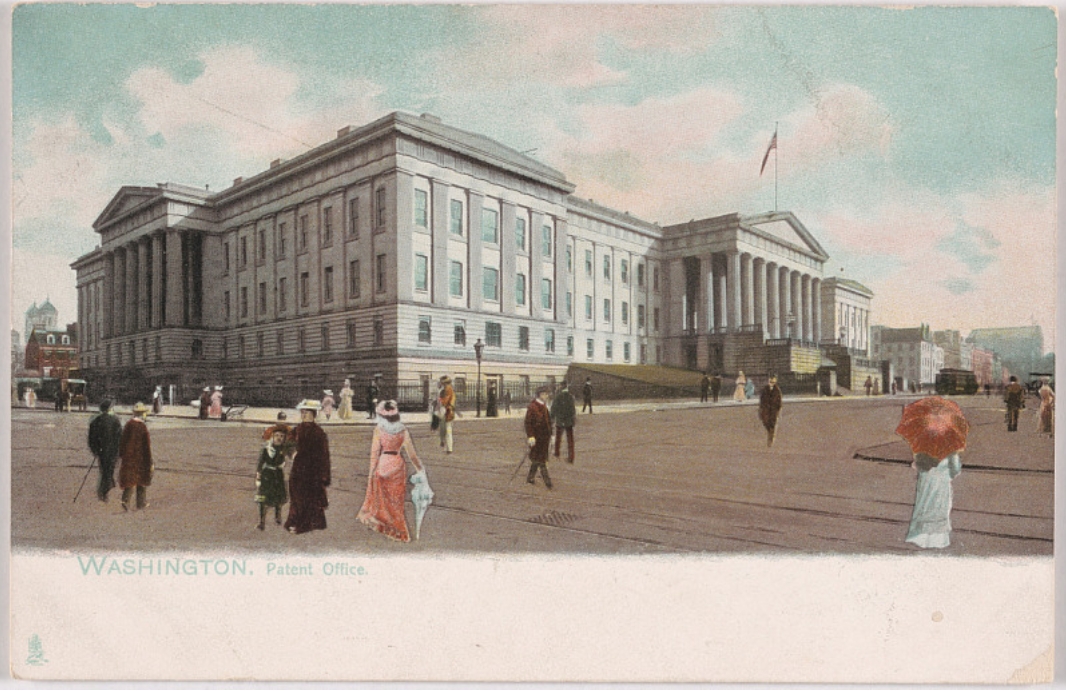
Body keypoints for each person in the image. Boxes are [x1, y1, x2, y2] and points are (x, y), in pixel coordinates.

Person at [357, 400, 428, 542]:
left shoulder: (379, 429)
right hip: (397, 464)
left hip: (383, 464)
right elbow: (412, 455)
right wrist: (421, 469)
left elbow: (374, 453)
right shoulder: (403, 430)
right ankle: (399, 530)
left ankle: (384, 525)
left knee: (383, 502)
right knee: (397, 502)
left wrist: (372, 472)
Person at [284, 400, 331, 534]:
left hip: (313, 469)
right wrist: (292, 453)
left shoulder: (319, 432)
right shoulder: (297, 429)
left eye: (307, 412)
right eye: (302, 412)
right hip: (299, 467)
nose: (304, 415)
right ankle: (296, 521)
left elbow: (324, 454)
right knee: (297, 495)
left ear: (313, 414)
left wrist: (325, 475)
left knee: (310, 496)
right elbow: (288, 443)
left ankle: (304, 525)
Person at [905, 451, 963, 549]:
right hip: (942, 481)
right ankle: (939, 540)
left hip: (926, 481)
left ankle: (921, 538)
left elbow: (917, 465)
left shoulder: (924, 445)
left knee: (924, 507)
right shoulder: (950, 448)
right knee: (940, 508)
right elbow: (955, 469)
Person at [118, 402, 153, 511]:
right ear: (142, 414)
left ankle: (125, 500)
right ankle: (141, 503)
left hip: (129, 456)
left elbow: (123, 440)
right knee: (142, 479)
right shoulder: (142, 427)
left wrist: (122, 454)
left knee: (130, 479)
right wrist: (150, 460)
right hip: (141, 457)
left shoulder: (129, 424)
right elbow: (146, 445)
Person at [87, 400, 122, 502]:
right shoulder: (115, 420)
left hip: (101, 451)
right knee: (109, 470)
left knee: (104, 469)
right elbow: (120, 436)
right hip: (113, 450)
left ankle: (106, 487)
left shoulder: (95, 421)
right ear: (109, 409)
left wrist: (95, 450)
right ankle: (104, 490)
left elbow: (91, 439)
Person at [255, 427, 289, 530]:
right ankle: (261, 521)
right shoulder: (266, 449)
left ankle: (278, 516)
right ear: (272, 437)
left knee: (278, 498)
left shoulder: (283, 449)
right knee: (262, 499)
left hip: (278, 475)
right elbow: (260, 463)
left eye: (282, 436)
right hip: (267, 475)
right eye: (277, 436)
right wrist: (258, 476)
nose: (279, 438)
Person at [525, 385, 554, 489]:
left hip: (545, 438)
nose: (547, 396)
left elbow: (549, 422)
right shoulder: (533, 407)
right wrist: (531, 436)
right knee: (541, 460)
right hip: (537, 438)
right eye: (545, 394)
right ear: (540, 394)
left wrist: (552, 434)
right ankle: (548, 482)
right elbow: (528, 423)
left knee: (537, 459)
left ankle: (530, 477)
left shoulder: (544, 407)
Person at [550, 381, 577, 463]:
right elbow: (573, 410)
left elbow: (553, 408)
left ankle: (557, 452)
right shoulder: (571, 397)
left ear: (561, 386)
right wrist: (573, 419)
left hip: (560, 420)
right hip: (569, 421)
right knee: (570, 440)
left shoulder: (558, 397)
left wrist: (552, 418)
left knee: (558, 437)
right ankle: (571, 457)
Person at [759, 375, 783, 447]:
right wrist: (761, 407)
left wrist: (778, 409)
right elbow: (762, 399)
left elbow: (779, 400)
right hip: (766, 409)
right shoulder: (765, 389)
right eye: (770, 382)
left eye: (773, 382)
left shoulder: (777, 390)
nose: (771, 383)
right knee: (766, 422)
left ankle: (771, 438)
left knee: (772, 423)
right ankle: (770, 433)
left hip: (773, 410)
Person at [437, 375, 456, 454]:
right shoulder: (442, 391)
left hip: (447, 410)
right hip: (443, 410)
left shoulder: (450, 390)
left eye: (442, 382)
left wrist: (449, 407)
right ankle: (445, 444)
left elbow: (451, 400)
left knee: (447, 429)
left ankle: (449, 447)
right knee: (444, 429)